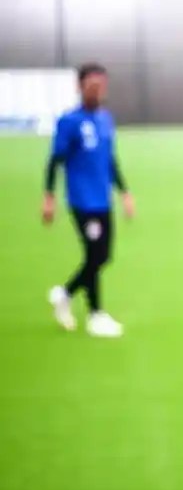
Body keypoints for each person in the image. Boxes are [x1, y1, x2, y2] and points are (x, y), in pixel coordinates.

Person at [43, 62, 135, 338]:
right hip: (82, 200)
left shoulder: (105, 119)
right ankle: (95, 314)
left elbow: (110, 159)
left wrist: (124, 192)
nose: (97, 90)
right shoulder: (70, 122)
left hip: (102, 199)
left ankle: (66, 294)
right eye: (91, 85)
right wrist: (48, 196)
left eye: (101, 85)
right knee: (95, 255)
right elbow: (55, 160)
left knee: (103, 256)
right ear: (80, 87)